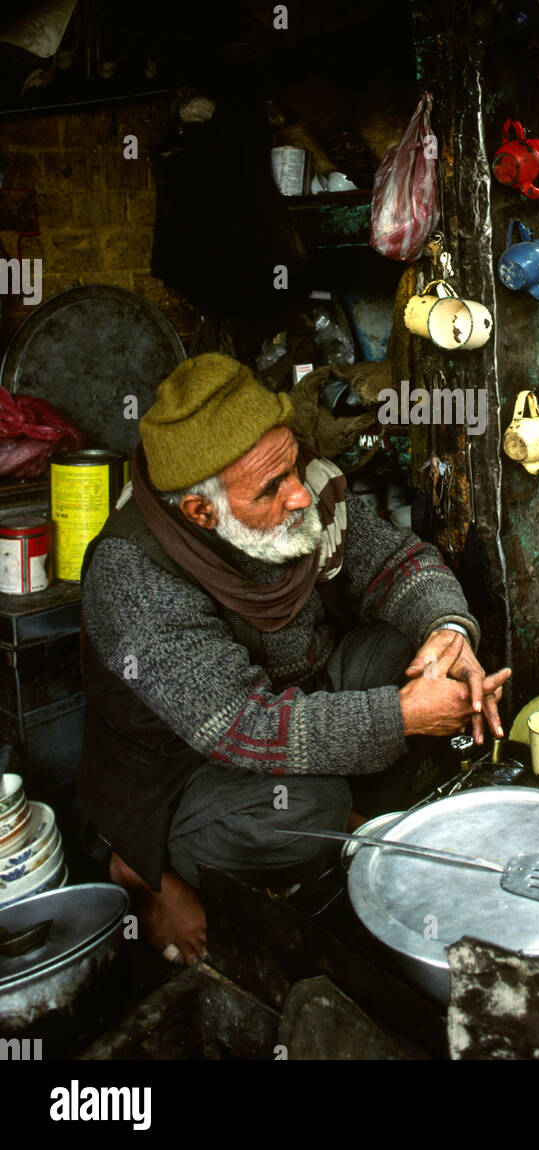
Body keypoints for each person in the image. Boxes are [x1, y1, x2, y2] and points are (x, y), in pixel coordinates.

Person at [77, 354, 509, 963]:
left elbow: (394, 563)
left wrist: (447, 631)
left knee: (404, 646)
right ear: (202, 512)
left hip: (300, 697)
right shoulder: (135, 575)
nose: (301, 494)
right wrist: (400, 717)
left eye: (293, 469)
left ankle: (346, 822)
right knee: (310, 807)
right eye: (271, 489)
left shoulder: (308, 488)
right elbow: (242, 727)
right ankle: (142, 869)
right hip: (185, 771)